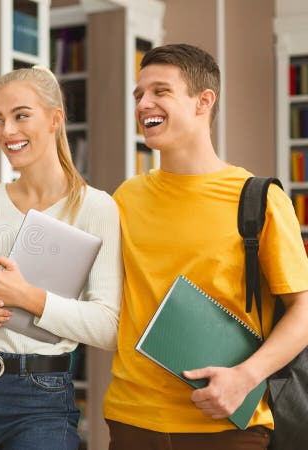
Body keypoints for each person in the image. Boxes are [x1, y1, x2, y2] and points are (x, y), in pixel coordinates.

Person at [100, 43, 308, 449]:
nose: (144, 103)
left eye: (160, 91)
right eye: (138, 94)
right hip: (131, 420)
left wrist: (245, 377)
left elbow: (304, 308)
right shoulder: (125, 197)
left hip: (227, 425)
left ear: (203, 101)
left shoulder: (259, 199)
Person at [0, 66, 122, 450]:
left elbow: (109, 327)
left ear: (55, 118)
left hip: (40, 400)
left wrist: (28, 297)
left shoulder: (97, 208)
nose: (7, 131)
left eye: (20, 115)